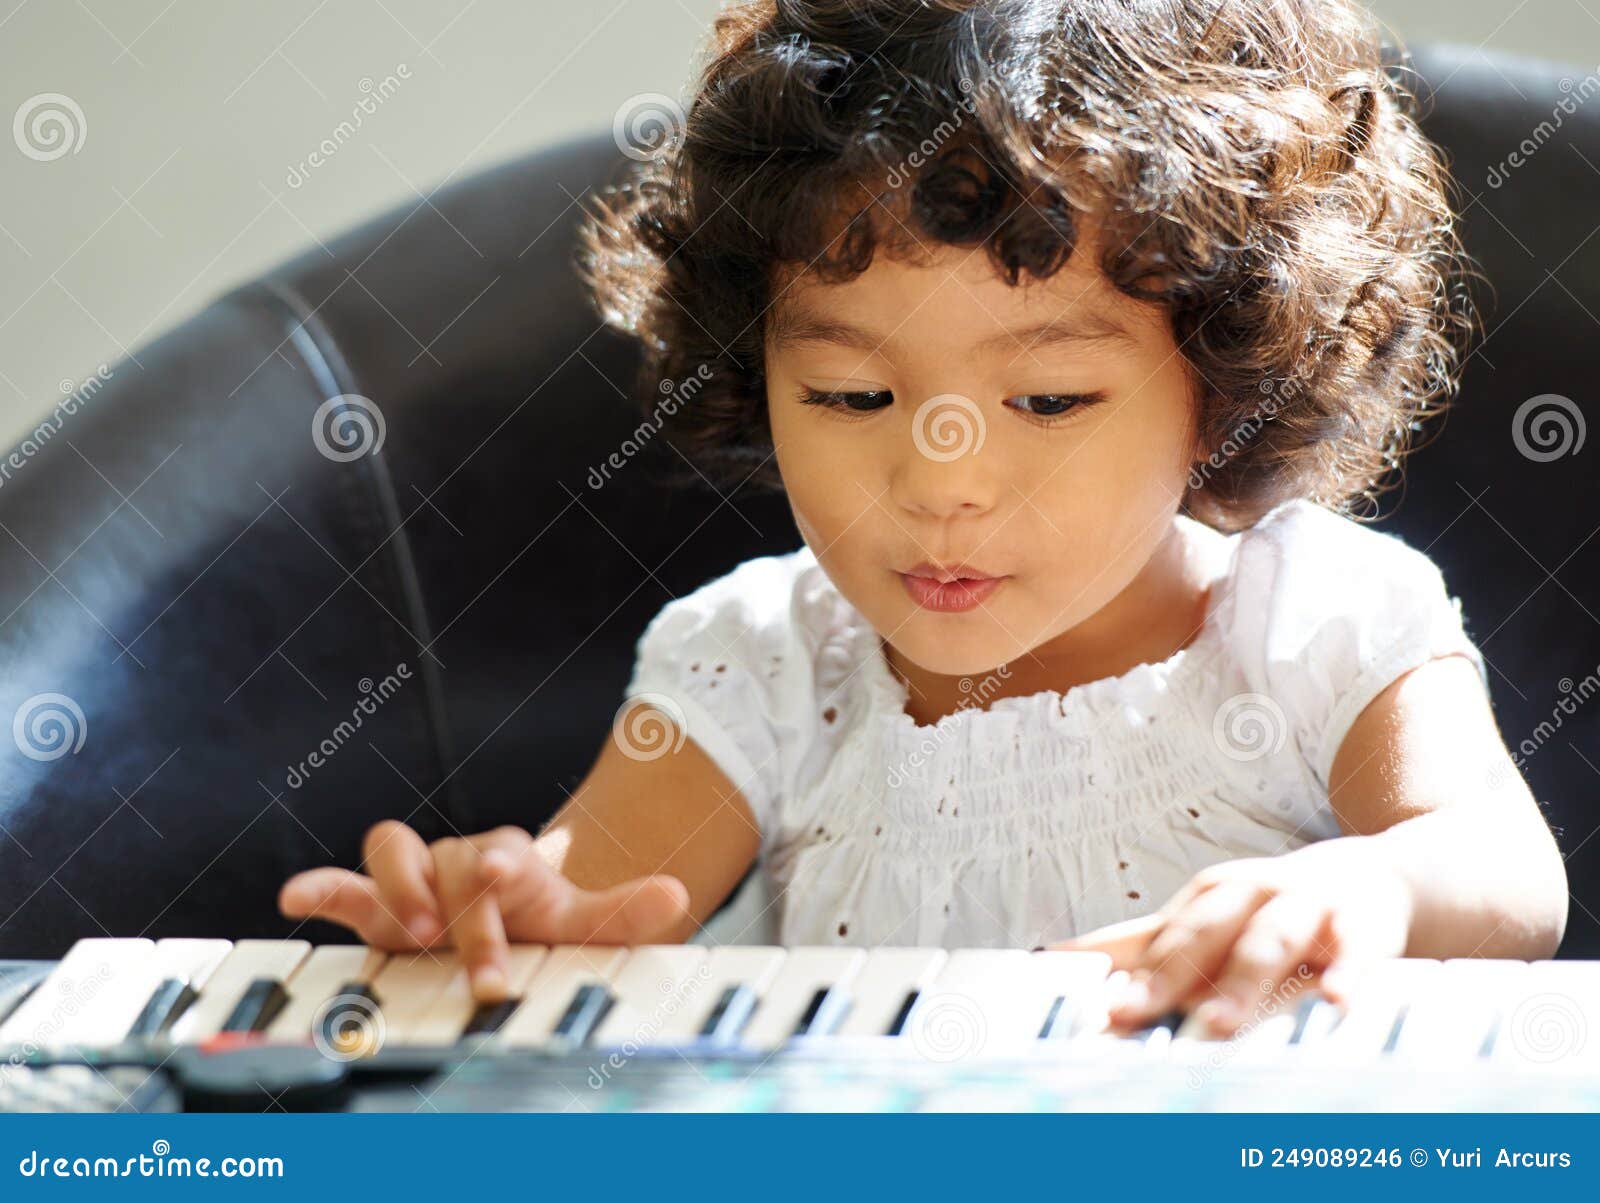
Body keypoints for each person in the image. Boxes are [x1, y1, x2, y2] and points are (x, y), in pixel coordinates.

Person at [279, 0, 1567, 1036]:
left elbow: (1510, 881)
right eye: (851, 392)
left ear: (1222, 393)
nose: (942, 477)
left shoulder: (1317, 620)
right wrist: (504, 913)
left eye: (1051, 397)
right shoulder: (758, 663)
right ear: (757, 371)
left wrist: (1371, 884)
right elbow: (587, 903)